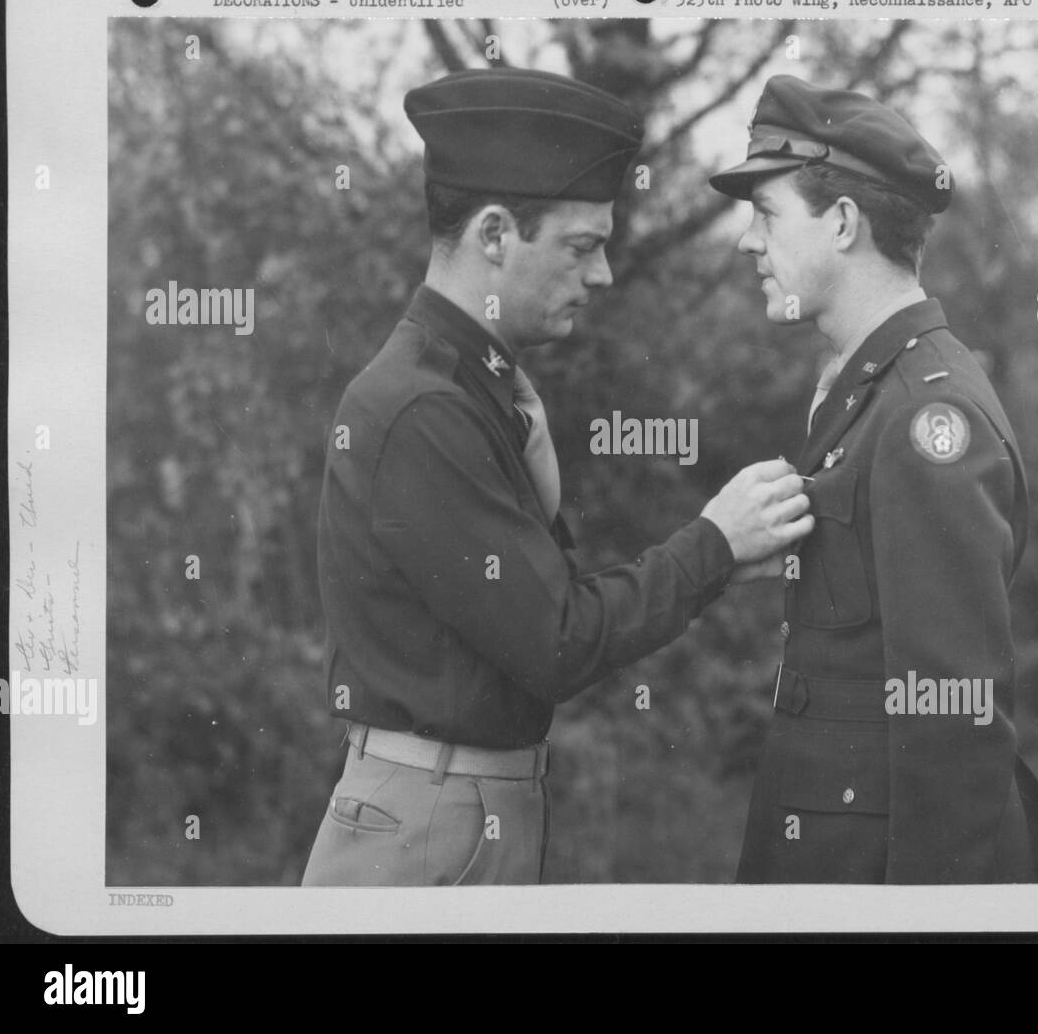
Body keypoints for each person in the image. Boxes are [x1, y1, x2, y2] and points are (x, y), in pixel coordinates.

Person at [301, 68, 812, 886]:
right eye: (582, 246)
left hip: (454, 802)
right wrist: (714, 545)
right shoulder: (425, 408)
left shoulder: (469, 383)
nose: (603, 274)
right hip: (432, 815)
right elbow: (556, 638)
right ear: (496, 234)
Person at [710, 74, 1038, 884]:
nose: (747, 241)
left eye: (767, 214)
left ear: (842, 223)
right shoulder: (865, 386)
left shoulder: (921, 421)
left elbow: (952, 728)